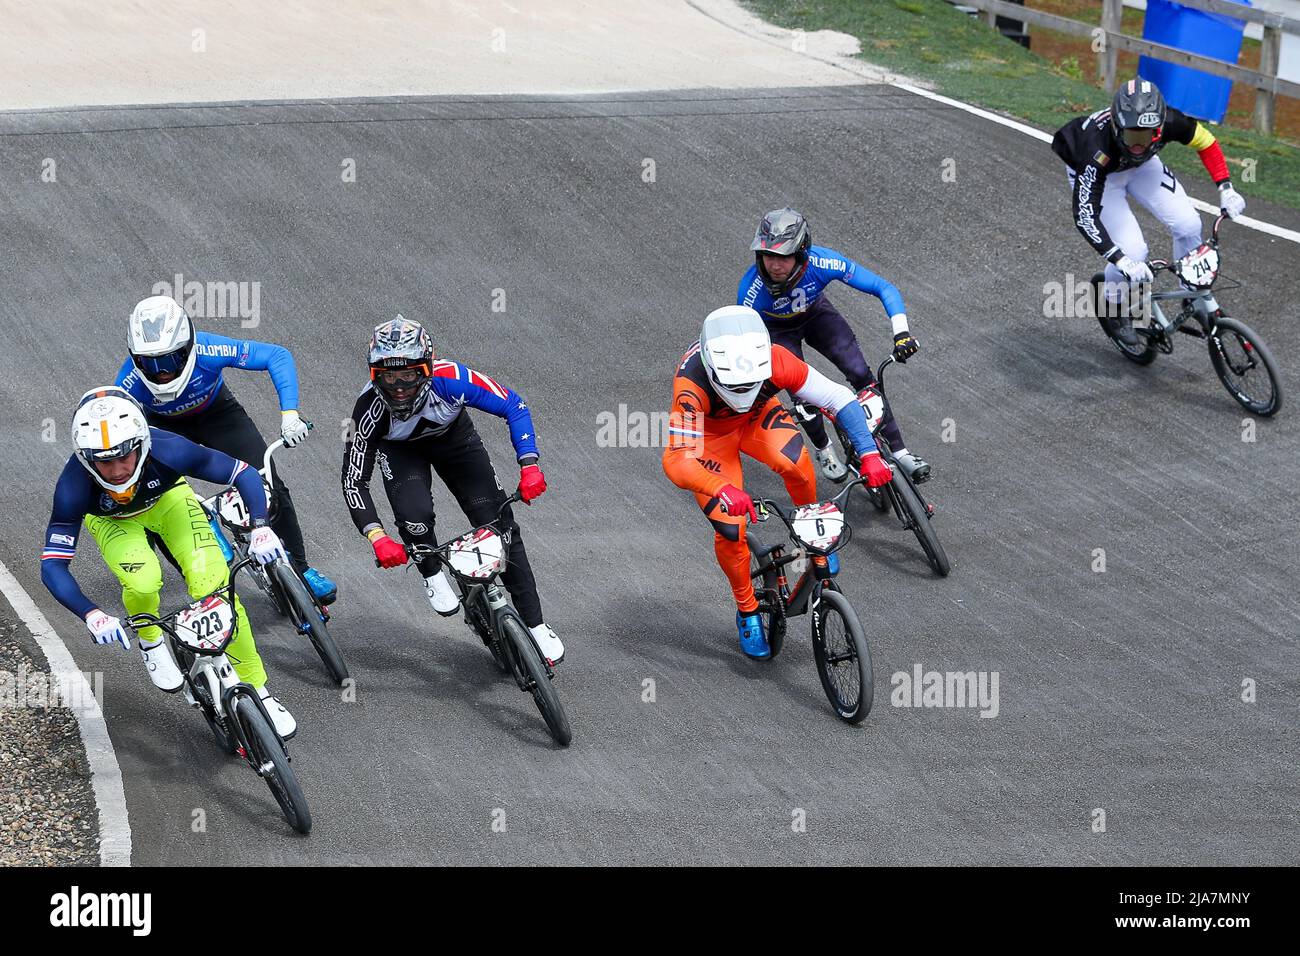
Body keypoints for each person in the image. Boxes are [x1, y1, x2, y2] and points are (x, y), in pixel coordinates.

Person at [40, 387, 297, 738]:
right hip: (114, 521)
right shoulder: (72, 485)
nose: (116, 470)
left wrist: (261, 528)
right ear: (86, 459)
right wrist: (91, 614)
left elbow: (244, 474)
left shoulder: (168, 448)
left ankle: (261, 692)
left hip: (168, 500)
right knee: (143, 581)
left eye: (124, 457)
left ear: (142, 444)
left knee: (216, 589)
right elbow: (53, 564)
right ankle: (150, 640)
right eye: (104, 461)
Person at [661, 305, 893, 659]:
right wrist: (722, 488)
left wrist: (870, 454)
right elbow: (678, 460)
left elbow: (838, 398)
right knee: (730, 527)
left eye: (751, 383)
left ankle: (812, 532)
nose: (743, 391)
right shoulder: (690, 387)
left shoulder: (776, 359)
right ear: (711, 369)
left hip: (758, 417)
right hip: (710, 439)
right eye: (735, 385)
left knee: (798, 466)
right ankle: (747, 608)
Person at [341, 317, 564, 665]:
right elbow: (353, 480)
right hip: (401, 454)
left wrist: (530, 464)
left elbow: (514, 405)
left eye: (409, 375)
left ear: (426, 369)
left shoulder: (453, 378)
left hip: (455, 442)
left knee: (499, 525)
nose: (398, 387)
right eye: (387, 376)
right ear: (375, 375)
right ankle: (430, 571)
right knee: (415, 517)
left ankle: (535, 624)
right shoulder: (367, 409)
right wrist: (377, 537)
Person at [115, 295, 337, 604]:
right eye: (149, 362)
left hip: (219, 416)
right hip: (165, 429)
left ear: (188, 347)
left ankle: (301, 569)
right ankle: (205, 591)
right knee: (157, 502)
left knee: (271, 484)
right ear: (135, 358)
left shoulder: (209, 349)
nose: (161, 372)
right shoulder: (127, 382)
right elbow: (116, 427)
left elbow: (276, 355)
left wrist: (290, 414)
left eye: (168, 360)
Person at [738, 207, 929, 484]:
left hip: (816, 316)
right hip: (777, 331)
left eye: (783, 257)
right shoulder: (751, 291)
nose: (774, 265)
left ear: (801, 252)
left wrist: (902, 334)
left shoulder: (822, 263)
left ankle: (900, 451)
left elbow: (883, 287)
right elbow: (743, 338)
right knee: (803, 396)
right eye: (768, 256)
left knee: (861, 375)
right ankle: (824, 449)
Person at [1051, 78, 1247, 345]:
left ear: (1158, 129)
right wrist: (1121, 260)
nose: (1138, 146)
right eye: (1132, 136)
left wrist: (1226, 187)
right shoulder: (1094, 148)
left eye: (1145, 137)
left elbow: (1207, 142)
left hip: (1142, 168)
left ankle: (1192, 293)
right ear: (1117, 126)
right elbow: (1085, 216)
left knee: (1189, 224)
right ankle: (1111, 304)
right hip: (1103, 173)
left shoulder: (1169, 121)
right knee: (1134, 252)